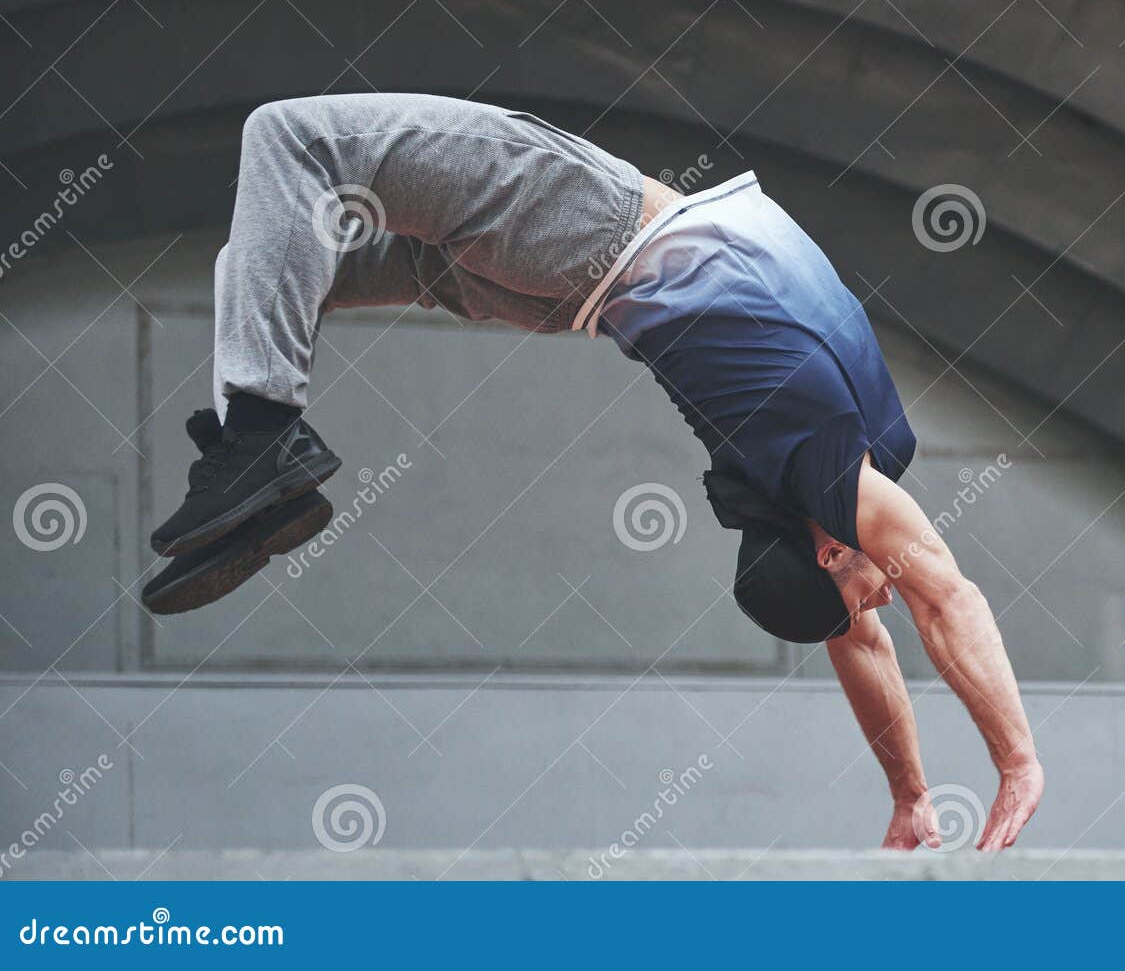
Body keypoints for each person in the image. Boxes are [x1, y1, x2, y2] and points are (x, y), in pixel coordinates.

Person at [144, 94, 1043, 851]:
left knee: (291, 138)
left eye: (863, 584)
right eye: (873, 586)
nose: (882, 592)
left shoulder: (816, 469)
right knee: (261, 264)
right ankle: (254, 466)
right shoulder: (843, 483)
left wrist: (1014, 763)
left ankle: (261, 437)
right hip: (567, 295)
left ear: (821, 551)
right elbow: (867, 637)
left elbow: (942, 604)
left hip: (582, 228)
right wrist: (912, 796)